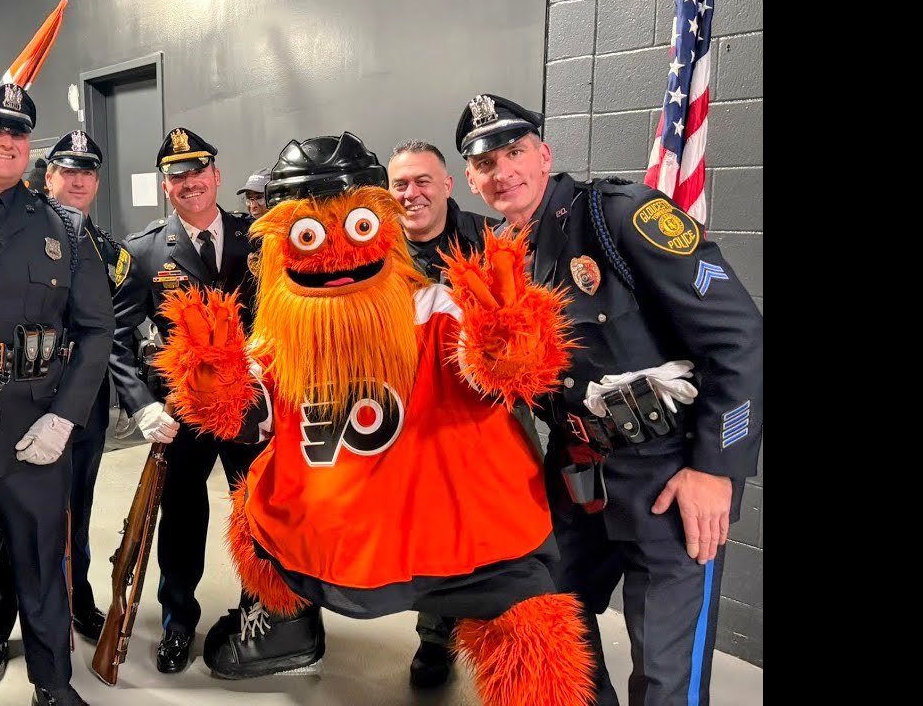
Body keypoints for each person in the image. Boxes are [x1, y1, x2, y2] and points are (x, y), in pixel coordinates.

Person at [156, 131, 592, 706]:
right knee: (256, 524)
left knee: (529, 636)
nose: (334, 252)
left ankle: (426, 641)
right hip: (349, 526)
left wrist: (509, 345)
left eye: (358, 226)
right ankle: (286, 629)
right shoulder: (279, 337)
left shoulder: (435, 308)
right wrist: (215, 389)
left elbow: (497, 367)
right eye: (307, 236)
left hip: (450, 522)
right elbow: (252, 417)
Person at [454, 92, 764, 706]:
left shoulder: (620, 216)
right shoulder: (500, 260)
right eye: (486, 163)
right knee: (549, 631)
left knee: (666, 681)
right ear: (471, 178)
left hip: (669, 474)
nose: (502, 172)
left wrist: (716, 469)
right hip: (575, 477)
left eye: (515, 152)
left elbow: (740, 337)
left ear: (544, 156)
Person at [0, 82, 114, 706]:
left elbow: (96, 329)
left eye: (18, 134)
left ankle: (53, 686)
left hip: (32, 423)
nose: (7, 142)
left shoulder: (62, 225)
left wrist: (66, 416)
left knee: (42, 567)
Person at [385, 139, 542, 690]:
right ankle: (435, 636)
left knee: (502, 534)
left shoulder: (493, 240)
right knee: (428, 529)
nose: (412, 194)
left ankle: (512, 647)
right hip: (416, 421)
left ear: (449, 184)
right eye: (400, 184)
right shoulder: (377, 251)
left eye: (423, 181)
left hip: (489, 419)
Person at [108, 126, 264, 675]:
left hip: (253, 410)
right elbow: (117, 336)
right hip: (184, 414)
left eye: (197, 172)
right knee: (182, 518)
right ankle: (178, 618)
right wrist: (140, 404)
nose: (189, 183)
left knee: (259, 510)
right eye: (177, 176)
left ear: (216, 176)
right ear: (165, 186)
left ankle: (260, 605)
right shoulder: (146, 250)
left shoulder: (259, 239)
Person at [0, 129, 130, 685]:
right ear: (49, 177)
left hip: (81, 406)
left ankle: (73, 599)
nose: (80, 180)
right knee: (8, 524)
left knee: (73, 515)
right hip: (22, 403)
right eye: (69, 171)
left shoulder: (110, 250)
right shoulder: (14, 231)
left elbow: (114, 331)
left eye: (89, 171)